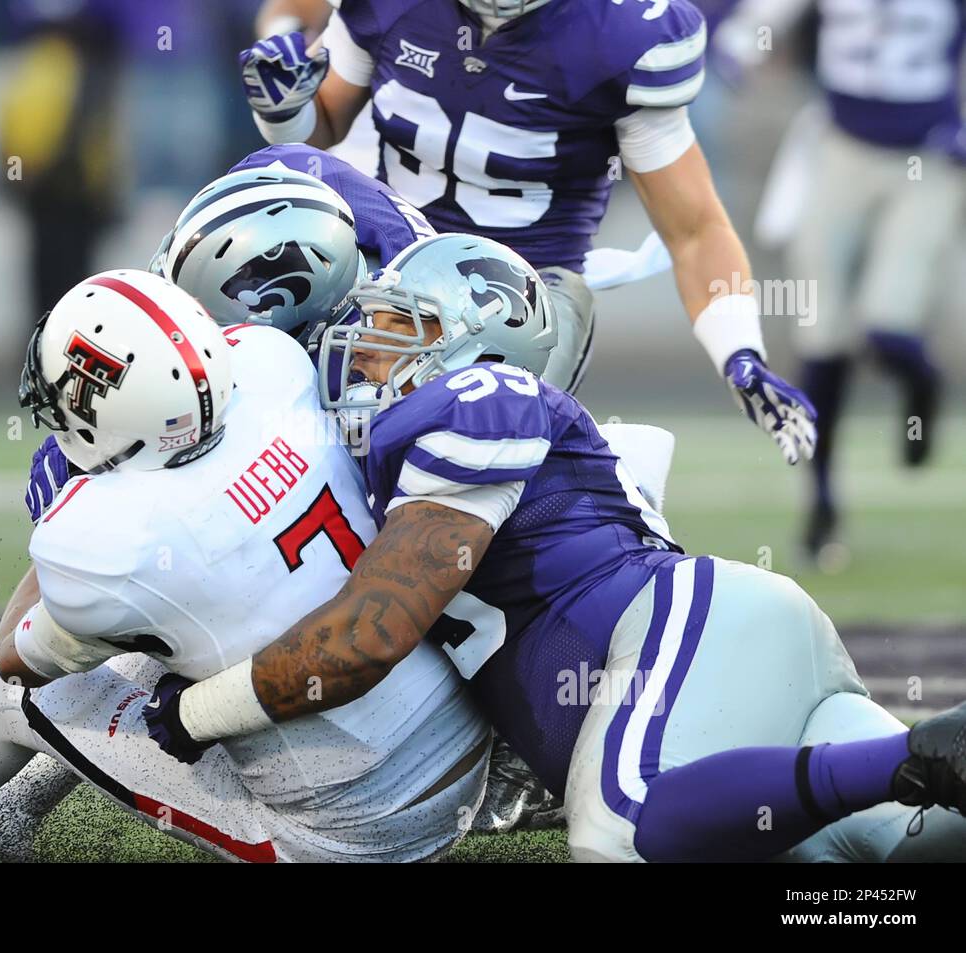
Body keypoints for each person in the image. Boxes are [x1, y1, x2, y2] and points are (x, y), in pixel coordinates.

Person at [142, 233, 966, 862]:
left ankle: (912, 750)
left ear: (479, 350)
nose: (363, 346)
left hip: (681, 632)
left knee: (622, 833)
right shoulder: (390, 447)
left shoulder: (478, 399)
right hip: (726, 684)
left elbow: (369, 634)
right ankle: (919, 758)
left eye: (400, 326)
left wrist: (191, 713)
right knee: (898, 850)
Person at [0, 269, 490, 863]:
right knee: (173, 645)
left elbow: (13, 658)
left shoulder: (112, 541)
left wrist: (73, 499)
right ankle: (0, 816)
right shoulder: (278, 365)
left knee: (21, 701)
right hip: (461, 750)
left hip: (352, 833)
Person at [239, 0, 818, 465]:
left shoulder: (616, 35)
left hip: (522, 298)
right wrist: (283, 108)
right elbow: (324, 123)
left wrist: (740, 351)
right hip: (391, 268)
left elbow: (693, 229)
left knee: (463, 449)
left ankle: (596, 506)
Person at [717, 0, 965, 561]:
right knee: (821, 338)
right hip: (838, 149)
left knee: (889, 325)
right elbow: (757, 24)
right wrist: (734, 52)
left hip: (926, 160)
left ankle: (921, 382)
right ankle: (821, 502)